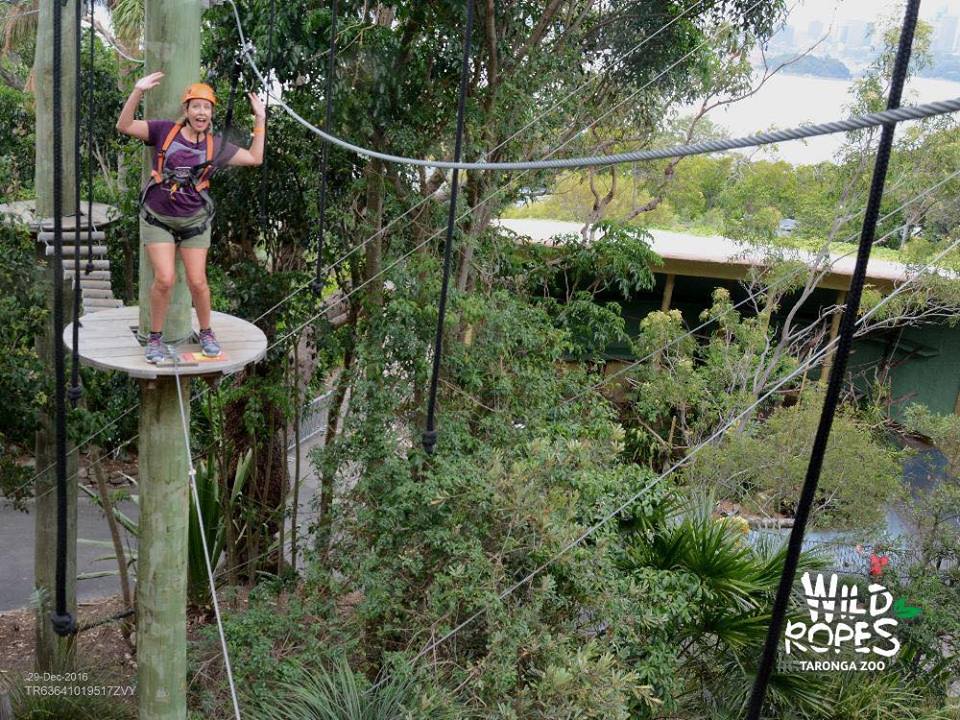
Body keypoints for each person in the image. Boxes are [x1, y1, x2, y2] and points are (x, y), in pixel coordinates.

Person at [116, 71, 266, 362]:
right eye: (196, 106)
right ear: (186, 110)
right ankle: (155, 339)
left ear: (211, 115)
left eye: (207, 107)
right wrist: (137, 91)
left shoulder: (215, 146)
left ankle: (207, 332)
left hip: (194, 220)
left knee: (198, 281)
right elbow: (124, 126)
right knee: (165, 278)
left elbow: (254, 158)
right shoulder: (163, 131)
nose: (201, 111)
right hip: (158, 217)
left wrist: (260, 119)